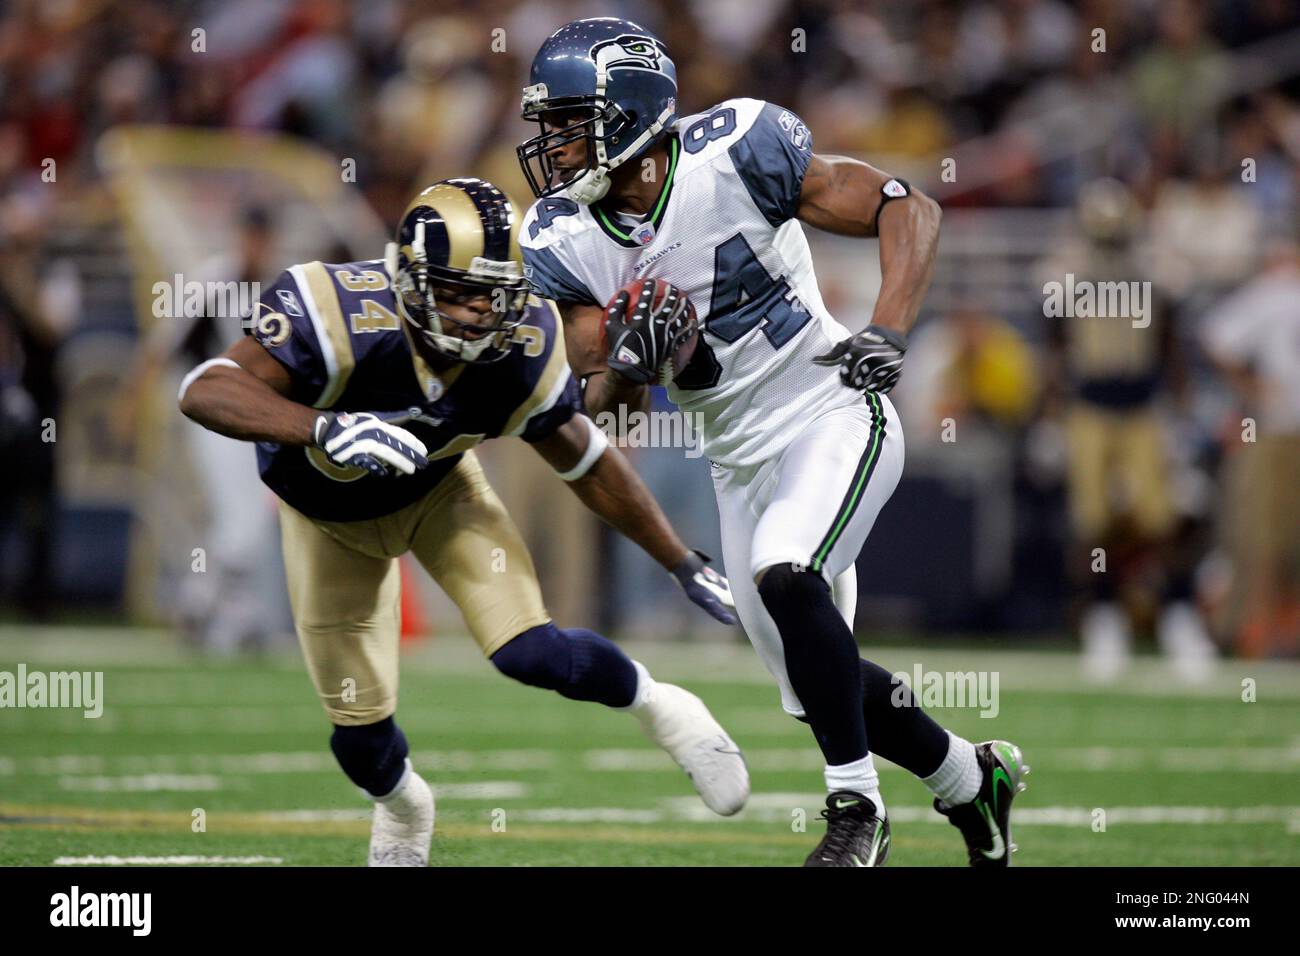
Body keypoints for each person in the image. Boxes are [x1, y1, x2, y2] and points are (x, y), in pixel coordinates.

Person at [516, 17, 1026, 867]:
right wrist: (634, 366)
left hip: (829, 406)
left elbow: (910, 206)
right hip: (733, 456)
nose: (555, 145)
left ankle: (855, 814)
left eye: (571, 120)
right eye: (551, 124)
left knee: (786, 570)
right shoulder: (562, 238)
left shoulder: (736, 149)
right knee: (817, 688)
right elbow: (610, 417)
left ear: (631, 112)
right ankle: (973, 784)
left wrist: (890, 329)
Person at [179, 177, 749, 866]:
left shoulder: (522, 347)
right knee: (360, 737)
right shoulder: (335, 312)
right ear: (410, 279)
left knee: (530, 652)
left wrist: (681, 561)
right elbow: (204, 387)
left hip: (441, 496)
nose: (478, 314)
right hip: (326, 521)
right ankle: (404, 807)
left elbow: (587, 458)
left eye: (493, 296)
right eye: (456, 292)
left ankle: (665, 709)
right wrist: (320, 427)